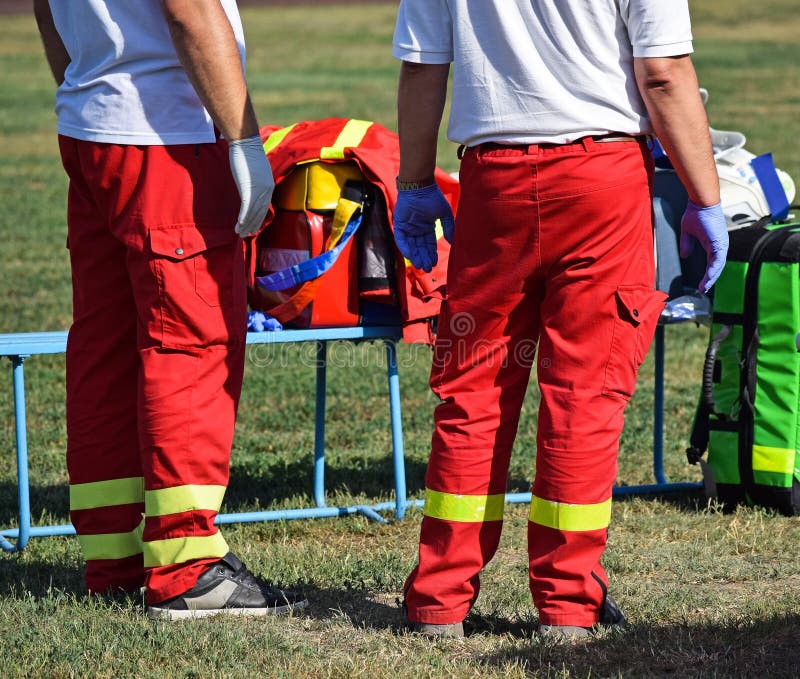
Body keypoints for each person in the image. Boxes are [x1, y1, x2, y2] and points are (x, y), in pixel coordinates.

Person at [392, 0, 728, 639]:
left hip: (492, 183)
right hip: (603, 180)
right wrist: (706, 198)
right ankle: (568, 606)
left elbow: (422, 68)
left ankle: (438, 601)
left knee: (473, 392)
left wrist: (413, 184)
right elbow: (663, 74)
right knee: (584, 395)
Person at [33, 0, 306, 620]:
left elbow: (47, 11)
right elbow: (190, 11)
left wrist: (91, 89)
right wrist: (244, 140)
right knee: (189, 344)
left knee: (107, 348)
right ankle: (187, 566)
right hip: (169, 140)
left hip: (94, 130)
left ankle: (118, 555)